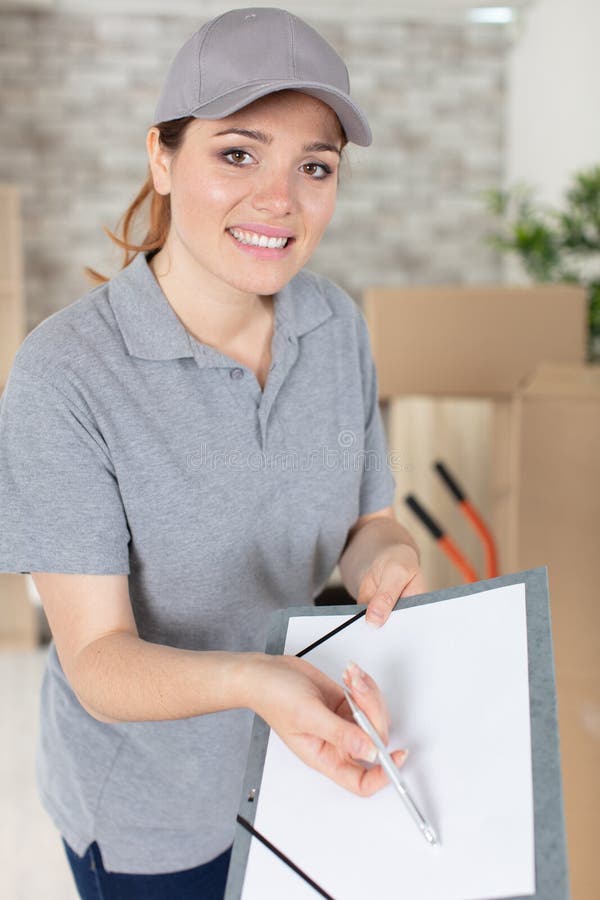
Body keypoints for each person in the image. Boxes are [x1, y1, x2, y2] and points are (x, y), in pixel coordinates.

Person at [0, 7, 426, 899]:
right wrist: (259, 682)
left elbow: (365, 525)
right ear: (162, 156)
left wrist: (388, 560)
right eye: (238, 153)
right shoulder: (66, 374)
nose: (280, 199)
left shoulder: (334, 324)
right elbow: (99, 660)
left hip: (302, 765)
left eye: (316, 166)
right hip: (152, 814)